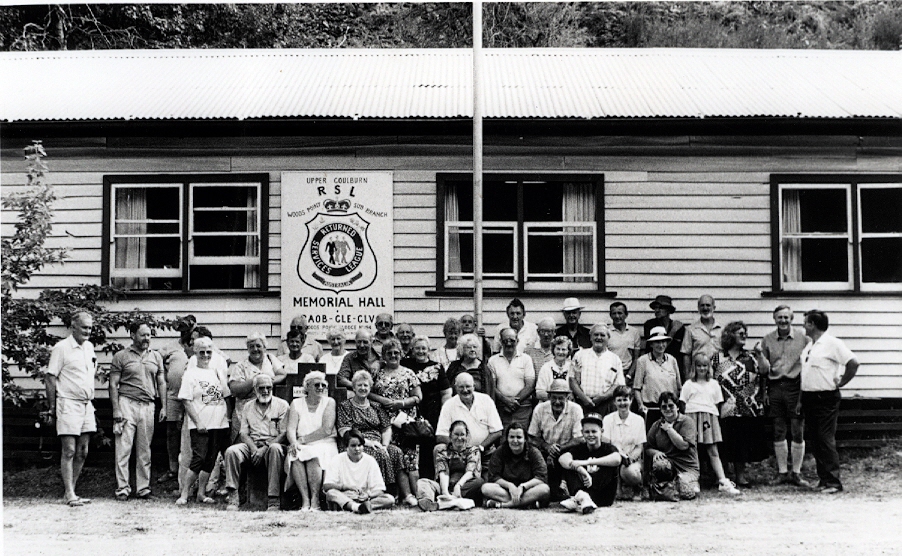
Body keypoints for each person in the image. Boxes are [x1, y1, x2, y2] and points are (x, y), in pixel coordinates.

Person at [800, 310, 859, 494]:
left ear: (812, 324)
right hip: (809, 397)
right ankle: (824, 479)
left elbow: (853, 363)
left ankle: (834, 482)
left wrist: (841, 382)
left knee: (825, 438)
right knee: (815, 439)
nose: (803, 326)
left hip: (826, 398)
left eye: (806, 323)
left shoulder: (832, 343)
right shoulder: (810, 346)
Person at [44, 311, 97, 507]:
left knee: (83, 450)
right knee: (69, 450)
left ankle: (71, 491)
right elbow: (50, 378)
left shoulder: (89, 347)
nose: (88, 331)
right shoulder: (61, 348)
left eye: (90, 328)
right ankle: (69, 492)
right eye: (84, 327)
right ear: (73, 327)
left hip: (86, 404)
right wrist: (52, 407)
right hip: (68, 403)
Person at [109, 322, 166, 501]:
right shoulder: (121, 356)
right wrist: (116, 410)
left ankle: (143, 489)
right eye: (143, 335)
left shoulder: (156, 356)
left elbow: (161, 382)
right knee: (123, 448)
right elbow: (113, 384)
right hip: (127, 404)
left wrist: (163, 406)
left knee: (144, 450)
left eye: (149, 335)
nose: (147, 338)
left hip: (148, 406)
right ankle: (123, 489)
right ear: (132, 335)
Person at [712, 321, 770, 487]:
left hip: (747, 406)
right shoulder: (718, 358)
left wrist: (760, 354)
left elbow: (765, 371)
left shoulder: (751, 357)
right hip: (725, 405)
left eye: (745, 332)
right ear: (730, 335)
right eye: (740, 333)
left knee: (742, 442)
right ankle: (722, 476)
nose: (744, 335)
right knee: (725, 442)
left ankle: (740, 476)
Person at [759, 305, 811, 487]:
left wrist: (803, 395)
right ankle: (782, 473)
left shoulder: (804, 340)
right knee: (778, 429)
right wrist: (765, 392)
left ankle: (796, 473)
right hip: (775, 388)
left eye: (786, 318)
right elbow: (763, 371)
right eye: (779, 317)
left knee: (797, 429)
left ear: (792, 319)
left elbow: (808, 367)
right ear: (774, 319)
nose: (783, 321)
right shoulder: (767, 340)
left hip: (795, 387)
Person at [177, 336, 231, 506]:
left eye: (209, 352)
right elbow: (186, 400)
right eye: (202, 352)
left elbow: (227, 396)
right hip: (201, 424)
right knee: (198, 458)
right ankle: (184, 493)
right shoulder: (191, 373)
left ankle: (201, 493)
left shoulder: (217, 372)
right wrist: (198, 422)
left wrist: (227, 417)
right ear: (195, 352)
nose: (206, 355)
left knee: (211, 459)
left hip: (219, 423)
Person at [369, 338, 423, 506]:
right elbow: (367, 392)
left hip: (405, 423)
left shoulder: (408, 373)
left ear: (401, 354)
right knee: (392, 457)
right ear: (384, 355)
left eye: (396, 353)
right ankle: (396, 495)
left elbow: (418, 396)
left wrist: (402, 403)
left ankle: (417, 496)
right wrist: (383, 400)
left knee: (410, 459)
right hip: (385, 423)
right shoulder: (377, 373)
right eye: (389, 353)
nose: (393, 356)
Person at [223, 374, 289, 512]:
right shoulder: (248, 406)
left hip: (273, 445)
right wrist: (254, 449)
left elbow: (283, 434)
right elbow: (244, 433)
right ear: (254, 389)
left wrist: (264, 449)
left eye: (268, 388)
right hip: (252, 445)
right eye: (261, 388)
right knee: (232, 451)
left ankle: (273, 499)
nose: (265, 391)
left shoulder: (282, 405)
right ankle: (233, 495)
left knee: (275, 449)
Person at [336, 370, 405, 496]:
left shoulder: (376, 406)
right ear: (354, 387)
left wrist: (384, 445)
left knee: (395, 452)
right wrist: (367, 442)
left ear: (370, 387)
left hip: (378, 442)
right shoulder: (345, 406)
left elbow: (386, 428)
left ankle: (402, 495)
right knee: (379, 454)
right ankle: (378, 492)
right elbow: (344, 431)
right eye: (359, 385)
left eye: (365, 385)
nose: (363, 388)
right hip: (355, 443)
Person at [679, 354, 740, 495]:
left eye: (705, 365)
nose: (702, 368)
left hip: (709, 417)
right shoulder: (688, 384)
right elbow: (683, 403)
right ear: (694, 367)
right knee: (692, 451)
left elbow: (718, 403)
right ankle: (693, 481)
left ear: (709, 367)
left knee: (713, 451)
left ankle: (723, 481)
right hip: (692, 416)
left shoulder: (714, 384)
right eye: (699, 365)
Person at [285, 371, 338, 512]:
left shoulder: (329, 402)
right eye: (316, 384)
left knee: (313, 453)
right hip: (302, 444)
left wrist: (301, 440)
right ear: (307, 387)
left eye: (323, 385)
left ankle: (315, 500)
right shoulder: (296, 403)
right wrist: (294, 442)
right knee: (294, 454)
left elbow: (326, 430)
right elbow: (290, 428)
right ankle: (305, 500)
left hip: (325, 443)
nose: (320, 387)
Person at [401, 335, 452, 481]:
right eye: (417, 348)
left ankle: (429, 481)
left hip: (432, 412)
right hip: (410, 412)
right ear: (412, 349)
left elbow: (446, 392)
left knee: (428, 448)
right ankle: (413, 483)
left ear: (429, 349)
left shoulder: (437, 367)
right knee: (410, 448)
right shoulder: (405, 365)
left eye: (424, 348)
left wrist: (444, 413)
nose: (421, 351)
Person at [528, 379, 584, 501]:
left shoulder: (576, 409)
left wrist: (558, 449)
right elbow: (532, 437)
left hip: (568, 451)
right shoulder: (540, 409)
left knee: (574, 455)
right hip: (545, 450)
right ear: (548, 396)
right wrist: (547, 447)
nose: (557, 401)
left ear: (567, 397)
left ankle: (571, 489)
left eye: (561, 398)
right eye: (554, 397)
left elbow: (579, 439)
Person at [559, 412, 625, 513]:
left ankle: (580, 498)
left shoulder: (608, 448)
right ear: (582, 432)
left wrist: (585, 463)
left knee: (608, 465)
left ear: (601, 432)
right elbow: (562, 458)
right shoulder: (580, 448)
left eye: (594, 431)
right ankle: (582, 497)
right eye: (587, 432)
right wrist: (581, 469)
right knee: (571, 465)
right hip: (583, 489)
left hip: (603, 496)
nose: (590, 435)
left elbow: (617, 459)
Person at [435, 373, 504, 466]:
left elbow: (497, 431)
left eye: (468, 386)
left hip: (485, 452)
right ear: (455, 387)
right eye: (461, 387)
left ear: (474, 386)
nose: (465, 390)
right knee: (439, 448)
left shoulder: (486, 400)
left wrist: (479, 448)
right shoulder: (448, 405)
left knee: (486, 479)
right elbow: (441, 435)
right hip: (458, 455)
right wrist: (461, 450)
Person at [158, 325, 197, 485]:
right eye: (183, 328)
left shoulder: (200, 343)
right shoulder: (170, 346)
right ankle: (173, 468)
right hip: (173, 395)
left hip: (193, 396)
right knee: (172, 432)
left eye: (189, 327)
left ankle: (191, 468)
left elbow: (225, 359)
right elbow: (156, 359)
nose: (186, 331)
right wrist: (164, 375)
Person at [416, 420, 484, 511]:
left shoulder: (473, 450)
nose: (459, 438)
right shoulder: (442, 451)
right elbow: (443, 471)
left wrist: (458, 485)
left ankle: (448, 502)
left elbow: (470, 472)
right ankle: (430, 502)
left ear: (467, 436)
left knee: (479, 482)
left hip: (464, 486)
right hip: (445, 486)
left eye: (462, 434)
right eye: (456, 434)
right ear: (450, 435)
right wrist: (445, 492)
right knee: (422, 482)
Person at [229, 332, 286, 440]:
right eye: (251, 347)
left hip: (267, 413)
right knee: (244, 446)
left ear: (264, 347)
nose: (255, 349)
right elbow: (234, 389)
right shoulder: (241, 366)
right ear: (247, 349)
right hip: (245, 413)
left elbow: (282, 374)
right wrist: (254, 381)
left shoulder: (270, 359)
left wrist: (266, 381)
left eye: (258, 346)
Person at [324, 429, 396, 513]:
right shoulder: (337, 459)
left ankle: (359, 507)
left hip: (364, 499)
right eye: (353, 446)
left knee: (389, 499)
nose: (357, 449)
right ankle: (356, 507)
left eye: (360, 445)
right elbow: (326, 486)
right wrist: (345, 487)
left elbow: (379, 489)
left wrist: (368, 495)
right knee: (331, 493)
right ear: (346, 446)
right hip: (345, 497)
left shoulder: (370, 460)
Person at [481, 422, 550, 508]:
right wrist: (510, 486)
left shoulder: (534, 452)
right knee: (486, 488)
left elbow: (541, 477)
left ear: (525, 439)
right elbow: (494, 477)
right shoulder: (500, 452)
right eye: (512, 437)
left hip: (527, 490)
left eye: (519, 437)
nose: (515, 441)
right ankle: (526, 503)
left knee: (544, 489)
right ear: (507, 438)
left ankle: (503, 505)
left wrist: (523, 487)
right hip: (507, 490)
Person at [645, 392, 700, 501]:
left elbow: (683, 446)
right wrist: (655, 452)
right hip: (668, 464)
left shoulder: (687, 422)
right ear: (660, 409)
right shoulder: (656, 425)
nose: (667, 409)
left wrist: (669, 429)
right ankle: (668, 485)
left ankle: (682, 484)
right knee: (659, 464)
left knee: (687, 492)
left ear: (677, 407)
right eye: (664, 407)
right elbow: (647, 447)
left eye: (671, 406)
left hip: (687, 467)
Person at [570, 324, 625, 416]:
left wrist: (603, 397)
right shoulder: (580, 355)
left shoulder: (615, 359)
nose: (599, 337)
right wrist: (584, 398)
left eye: (602, 335)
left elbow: (618, 384)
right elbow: (572, 380)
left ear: (608, 338)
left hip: (605, 405)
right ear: (590, 337)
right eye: (596, 335)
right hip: (582, 404)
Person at [601, 386, 645, 500]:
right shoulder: (607, 419)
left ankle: (637, 488)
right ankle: (617, 488)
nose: (622, 403)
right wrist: (619, 455)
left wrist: (629, 459)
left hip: (632, 459)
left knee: (631, 473)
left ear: (631, 400)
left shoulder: (638, 420)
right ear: (614, 402)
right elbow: (606, 444)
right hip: (613, 457)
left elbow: (640, 447)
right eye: (619, 400)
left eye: (625, 399)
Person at [633, 326, 682, 429]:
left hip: (669, 408)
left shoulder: (672, 360)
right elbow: (637, 388)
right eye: (657, 342)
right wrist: (640, 405)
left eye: (663, 342)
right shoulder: (643, 361)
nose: (661, 345)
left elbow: (679, 386)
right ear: (651, 344)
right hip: (651, 409)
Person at [488, 328, 536, 430]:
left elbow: (530, 385)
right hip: (502, 408)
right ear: (501, 341)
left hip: (523, 408)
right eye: (505, 340)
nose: (509, 343)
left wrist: (513, 403)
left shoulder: (526, 359)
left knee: (522, 439)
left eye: (512, 340)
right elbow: (492, 385)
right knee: (504, 440)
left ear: (517, 341)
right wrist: (506, 401)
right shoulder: (493, 361)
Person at [642, 295, 686, 378]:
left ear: (668, 310)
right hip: (653, 366)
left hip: (673, 368)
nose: (657, 310)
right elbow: (655, 348)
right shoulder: (650, 325)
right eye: (655, 308)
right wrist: (672, 332)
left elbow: (682, 352)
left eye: (660, 308)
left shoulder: (679, 327)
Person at [681, 295, 723, 382]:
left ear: (714, 307)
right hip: (698, 375)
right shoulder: (690, 329)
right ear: (698, 308)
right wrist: (687, 377)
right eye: (702, 305)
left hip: (720, 374)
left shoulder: (722, 329)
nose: (705, 308)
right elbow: (686, 355)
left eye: (708, 305)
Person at [445, 333, 494, 398]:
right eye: (469, 347)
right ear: (462, 349)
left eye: (475, 347)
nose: (472, 350)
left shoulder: (484, 369)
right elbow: (446, 389)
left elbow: (490, 394)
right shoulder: (454, 367)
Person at [607, 302, 641, 383]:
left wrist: (629, 375)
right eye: (614, 313)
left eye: (620, 313)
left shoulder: (634, 332)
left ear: (626, 314)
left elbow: (636, 358)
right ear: (610, 315)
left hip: (629, 373)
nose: (617, 316)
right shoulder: (606, 332)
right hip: (610, 373)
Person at [535, 336, 574, 401]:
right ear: (553, 350)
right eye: (558, 349)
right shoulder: (546, 367)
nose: (560, 352)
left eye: (563, 349)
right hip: (548, 404)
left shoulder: (571, 367)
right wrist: (556, 399)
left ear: (568, 351)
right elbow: (539, 393)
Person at [524, 318, 556, 390]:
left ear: (554, 332)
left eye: (549, 331)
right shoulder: (528, 350)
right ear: (538, 332)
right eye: (543, 331)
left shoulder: (560, 350)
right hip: (534, 392)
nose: (546, 334)